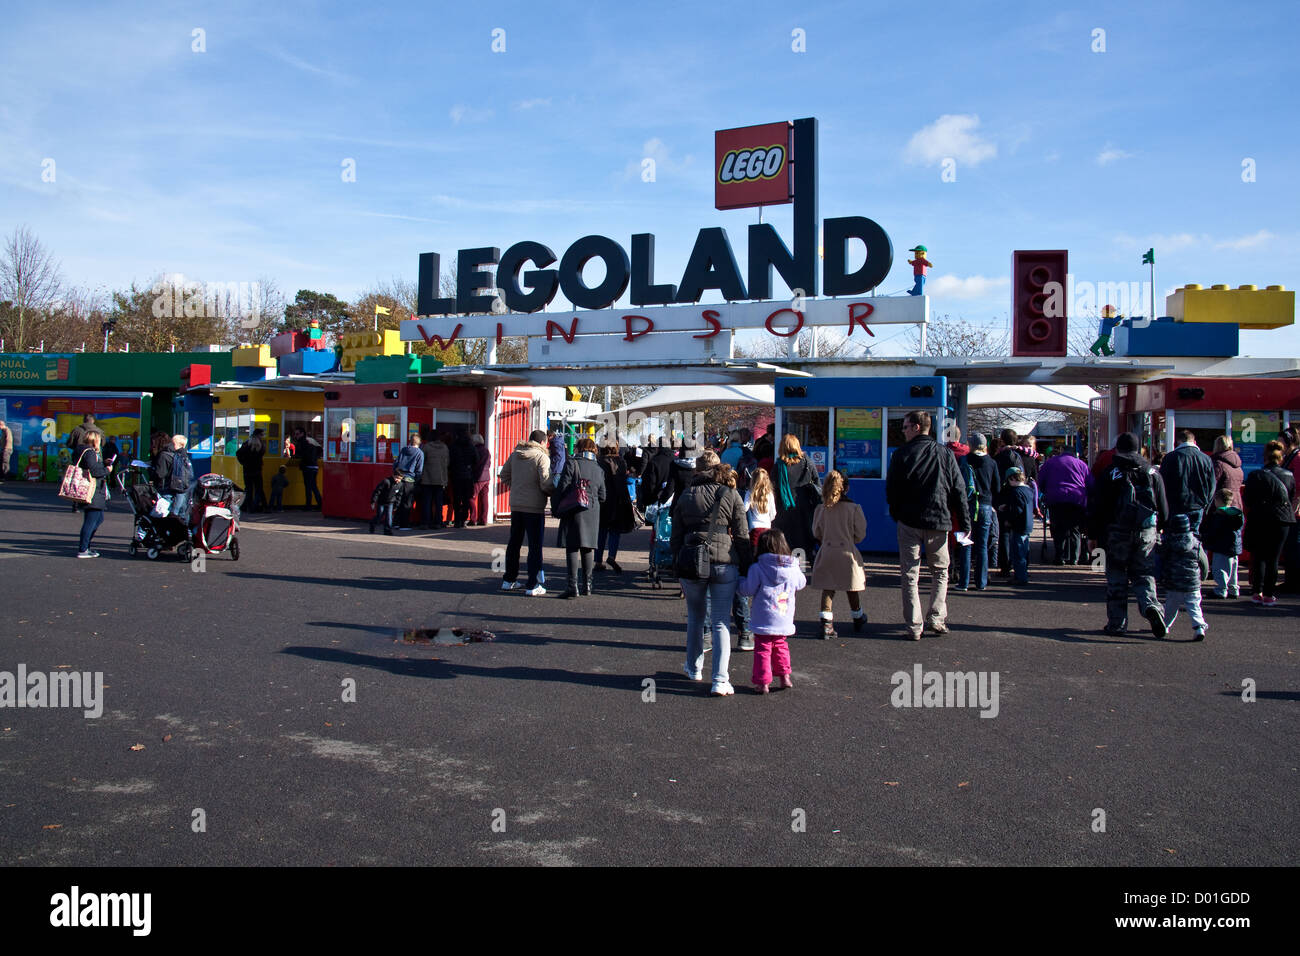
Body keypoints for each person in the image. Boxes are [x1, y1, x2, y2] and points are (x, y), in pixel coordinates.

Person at [885, 411, 970, 640]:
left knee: (910, 574)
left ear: (916, 427)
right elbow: (958, 489)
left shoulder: (901, 454)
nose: (903, 431)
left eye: (905, 427)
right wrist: (964, 522)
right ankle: (936, 618)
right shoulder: (944, 453)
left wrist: (897, 514)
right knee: (940, 572)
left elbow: (892, 490)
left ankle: (914, 625)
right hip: (939, 521)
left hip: (909, 521)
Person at [671, 451, 749, 696]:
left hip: (692, 559)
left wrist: (676, 561)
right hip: (724, 561)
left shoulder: (686, 494)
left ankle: (694, 668)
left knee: (695, 617)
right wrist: (746, 564)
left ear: (697, 470)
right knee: (721, 621)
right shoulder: (730, 494)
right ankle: (720, 679)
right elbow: (742, 534)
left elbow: (676, 535)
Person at [1087, 431, 1169, 636]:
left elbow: (1098, 507)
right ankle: (1151, 606)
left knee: (1116, 575)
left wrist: (1093, 535)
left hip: (1116, 532)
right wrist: (1160, 528)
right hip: (1146, 531)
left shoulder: (1110, 473)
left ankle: (1117, 623)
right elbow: (1163, 507)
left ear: (1118, 449)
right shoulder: (1152, 472)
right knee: (1144, 573)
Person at [737, 529, 806, 694]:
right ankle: (785, 676)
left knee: (763, 648)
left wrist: (739, 581)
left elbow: (747, 589)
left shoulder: (758, 568)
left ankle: (763, 682)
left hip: (763, 617)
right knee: (781, 645)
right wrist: (798, 567)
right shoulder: (793, 567)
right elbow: (801, 583)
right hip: (784, 615)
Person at [810, 470, 868, 638]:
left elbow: (816, 532)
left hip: (827, 551)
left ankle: (826, 624)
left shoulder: (821, 509)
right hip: (847, 552)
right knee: (851, 586)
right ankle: (857, 616)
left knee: (828, 587)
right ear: (846, 488)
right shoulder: (854, 508)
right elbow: (860, 534)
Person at [548, 437, 607, 598]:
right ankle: (588, 585)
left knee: (572, 547)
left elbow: (562, 487)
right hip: (592, 511)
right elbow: (603, 496)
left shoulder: (572, 463)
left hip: (573, 509)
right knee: (588, 547)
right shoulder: (598, 468)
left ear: (579, 448)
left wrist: (556, 507)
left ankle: (572, 586)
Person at [1242, 439, 1296, 607]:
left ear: (1264, 457)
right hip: (1281, 520)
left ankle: (1257, 592)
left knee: (1259, 556)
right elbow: (1291, 497)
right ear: (1280, 457)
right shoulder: (1288, 475)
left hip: (1259, 518)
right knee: (1273, 558)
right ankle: (1268, 594)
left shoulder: (1255, 475)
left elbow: (1248, 499)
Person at [499, 430, 551, 595]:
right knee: (535, 546)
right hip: (534, 506)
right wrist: (552, 492)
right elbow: (545, 482)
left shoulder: (515, 454)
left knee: (514, 543)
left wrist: (516, 486)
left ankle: (509, 579)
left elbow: (503, 475)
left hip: (516, 505)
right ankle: (532, 584)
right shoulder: (541, 457)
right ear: (542, 442)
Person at [1037, 445, 1090, 566]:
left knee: (1058, 528)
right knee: (1075, 529)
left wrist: (1047, 492)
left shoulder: (1050, 463)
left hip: (1056, 499)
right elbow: (1090, 483)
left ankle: (1059, 557)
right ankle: (1074, 558)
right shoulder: (1081, 464)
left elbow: (1041, 480)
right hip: (1076, 499)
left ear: (1061, 452)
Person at [1161, 513, 1208, 640]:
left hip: (1173, 581)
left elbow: (1162, 560)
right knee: (1194, 606)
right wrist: (1203, 576)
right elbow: (1204, 562)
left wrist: (1160, 576)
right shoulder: (1196, 543)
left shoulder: (1168, 543)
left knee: (1170, 607)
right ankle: (1199, 627)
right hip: (1192, 582)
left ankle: (1164, 626)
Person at [772, 434, 820, 557]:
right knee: (804, 544)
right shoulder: (807, 462)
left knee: (786, 546)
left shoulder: (779, 466)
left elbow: (773, 489)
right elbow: (817, 483)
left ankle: (789, 567)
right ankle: (802, 566)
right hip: (805, 509)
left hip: (784, 510)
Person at [964, 433, 1000, 590]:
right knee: (982, 545)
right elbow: (997, 487)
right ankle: (981, 582)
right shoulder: (991, 462)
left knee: (966, 543)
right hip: (985, 505)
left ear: (971, 445)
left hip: (967, 506)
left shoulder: (965, 460)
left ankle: (963, 582)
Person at [1159, 429, 1215, 530]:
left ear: (1177, 442)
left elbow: (1162, 483)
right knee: (1194, 535)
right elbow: (1212, 485)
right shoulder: (1206, 459)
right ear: (1194, 442)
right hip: (1198, 505)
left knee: (1174, 534)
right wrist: (1206, 504)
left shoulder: (1170, 457)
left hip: (1175, 505)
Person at [596, 444, 635, 573]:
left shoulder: (599, 462)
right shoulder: (621, 462)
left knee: (601, 531)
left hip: (603, 500)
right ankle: (611, 556)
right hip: (618, 500)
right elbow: (623, 481)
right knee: (615, 531)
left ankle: (598, 560)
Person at [72, 430, 110, 558]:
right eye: (99, 439)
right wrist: (107, 470)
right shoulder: (90, 452)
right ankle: (83, 549)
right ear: (95, 440)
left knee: (98, 519)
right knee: (91, 521)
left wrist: (103, 463)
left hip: (91, 489)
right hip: (92, 490)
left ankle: (86, 547)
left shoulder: (81, 450)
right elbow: (94, 471)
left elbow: (89, 466)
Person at [993, 430, 1025, 577]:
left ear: (1002, 440)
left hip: (1002, 497)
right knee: (1017, 531)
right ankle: (1018, 564)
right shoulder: (1018, 457)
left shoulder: (999, 457)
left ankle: (1005, 565)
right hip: (1016, 496)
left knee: (1004, 533)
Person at [1202, 486, 1243, 599]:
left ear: (1218, 500)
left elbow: (1215, 531)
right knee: (1233, 569)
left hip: (1222, 546)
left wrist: (1206, 539)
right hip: (1234, 546)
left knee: (1220, 569)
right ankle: (1233, 589)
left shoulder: (1219, 515)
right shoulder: (1237, 513)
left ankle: (1221, 590)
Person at [999, 467, 1036, 585]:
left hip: (1018, 525)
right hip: (1027, 524)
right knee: (1024, 550)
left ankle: (1020, 577)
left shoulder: (1016, 492)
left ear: (1012, 478)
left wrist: (1008, 518)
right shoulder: (1029, 490)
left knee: (1017, 553)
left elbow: (1016, 510)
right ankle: (1023, 573)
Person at [390, 433, 425, 530]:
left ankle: (396, 522)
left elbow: (396, 463)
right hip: (410, 480)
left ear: (410, 440)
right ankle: (404, 525)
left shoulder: (403, 450)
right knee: (407, 502)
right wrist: (417, 481)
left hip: (399, 479)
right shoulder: (419, 453)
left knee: (398, 501)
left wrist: (396, 475)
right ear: (419, 442)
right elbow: (419, 470)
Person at [419, 431, 450, 529]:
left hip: (427, 478)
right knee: (438, 502)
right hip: (440, 479)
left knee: (427, 502)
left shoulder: (426, 447)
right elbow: (447, 462)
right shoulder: (445, 448)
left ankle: (425, 522)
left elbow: (421, 462)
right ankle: (438, 522)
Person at [448, 431, 476, 528]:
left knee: (457, 499)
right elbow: (476, 459)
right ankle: (463, 519)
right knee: (466, 500)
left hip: (456, 476)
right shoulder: (471, 447)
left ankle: (457, 520)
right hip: (468, 476)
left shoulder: (453, 447)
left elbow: (450, 461)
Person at [745, 467, 777, 551]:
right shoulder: (770, 494)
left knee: (755, 553)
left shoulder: (750, 493)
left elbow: (744, 508)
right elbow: (773, 513)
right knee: (765, 551)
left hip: (754, 528)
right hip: (767, 527)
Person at [236, 429, 268, 513]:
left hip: (247, 470)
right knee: (259, 489)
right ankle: (261, 506)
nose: (263, 436)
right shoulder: (261, 445)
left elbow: (238, 453)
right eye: (262, 435)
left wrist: (244, 463)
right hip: (257, 470)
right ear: (259, 435)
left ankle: (248, 508)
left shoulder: (246, 444)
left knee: (249, 489)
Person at [1210, 435, 1244, 510]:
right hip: (1236, 502)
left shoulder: (1218, 463)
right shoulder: (1237, 465)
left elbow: (1211, 484)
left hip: (1221, 504)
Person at [292, 427, 323, 510]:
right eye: (295, 434)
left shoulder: (302, 442)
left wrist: (297, 457)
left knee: (308, 487)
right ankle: (320, 504)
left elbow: (300, 454)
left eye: (297, 434)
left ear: (302, 434)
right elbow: (319, 450)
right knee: (313, 486)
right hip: (314, 466)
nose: (296, 436)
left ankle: (308, 505)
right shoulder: (311, 441)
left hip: (307, 466)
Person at [470, 434, 492, 525]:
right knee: (484, 498)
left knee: (471, 497)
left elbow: (475, 464)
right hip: (486, 477)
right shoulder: (486, 450)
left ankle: (473, 519)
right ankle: (483, 519)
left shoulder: (475, 450)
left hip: (478, 477)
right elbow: (489, 464)